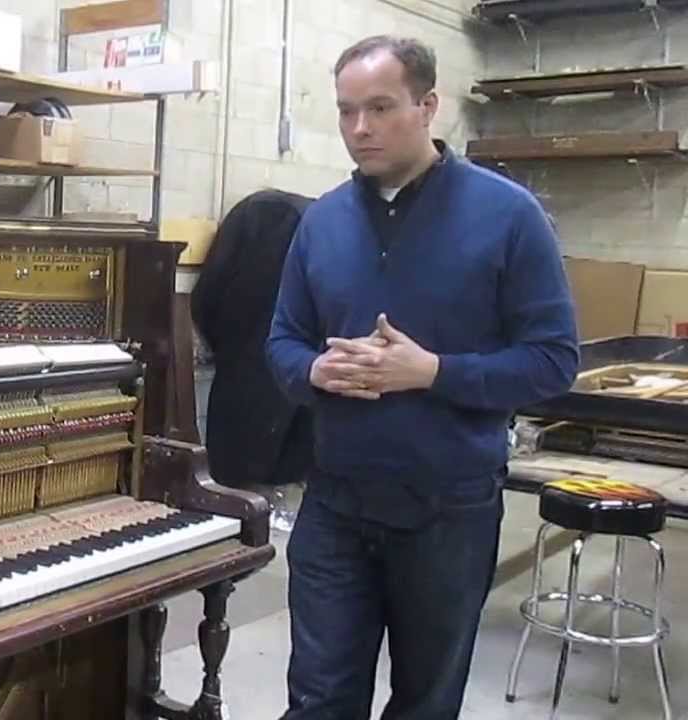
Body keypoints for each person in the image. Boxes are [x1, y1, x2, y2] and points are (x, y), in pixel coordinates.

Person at [265, 35, 579, 719]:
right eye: (347, 111)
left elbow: (554, 361)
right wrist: (314, 369)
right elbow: (281, 342)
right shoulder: (320, 223)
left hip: (449, 510)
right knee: (318, 699)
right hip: (335, 504)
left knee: (426, 703)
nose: (360, 129)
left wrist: (431, 371)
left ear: (429, 105)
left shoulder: (508, 216)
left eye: (380, 108)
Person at [191, 190, 315, 529]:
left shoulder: (273, 217)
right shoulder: (291, 221)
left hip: (253, 355)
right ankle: (255, 502)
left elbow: (207, 299)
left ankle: (242, 502)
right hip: (274, 357)